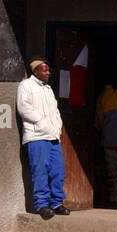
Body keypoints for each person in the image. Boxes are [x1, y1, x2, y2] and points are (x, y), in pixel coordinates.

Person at [17, 57, 69, 220]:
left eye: (48, 70)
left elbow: (55, 111)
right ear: (35, 71)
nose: (48, 73)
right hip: (37, 136)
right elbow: (24, 108)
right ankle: (41, 204)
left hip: (52, 136)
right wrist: (42, 123)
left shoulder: (48, 89)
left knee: (58, 171)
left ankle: (56, 203)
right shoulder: (26, 86)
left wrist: (57, 126)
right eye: (44, 70)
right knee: (40, 171)